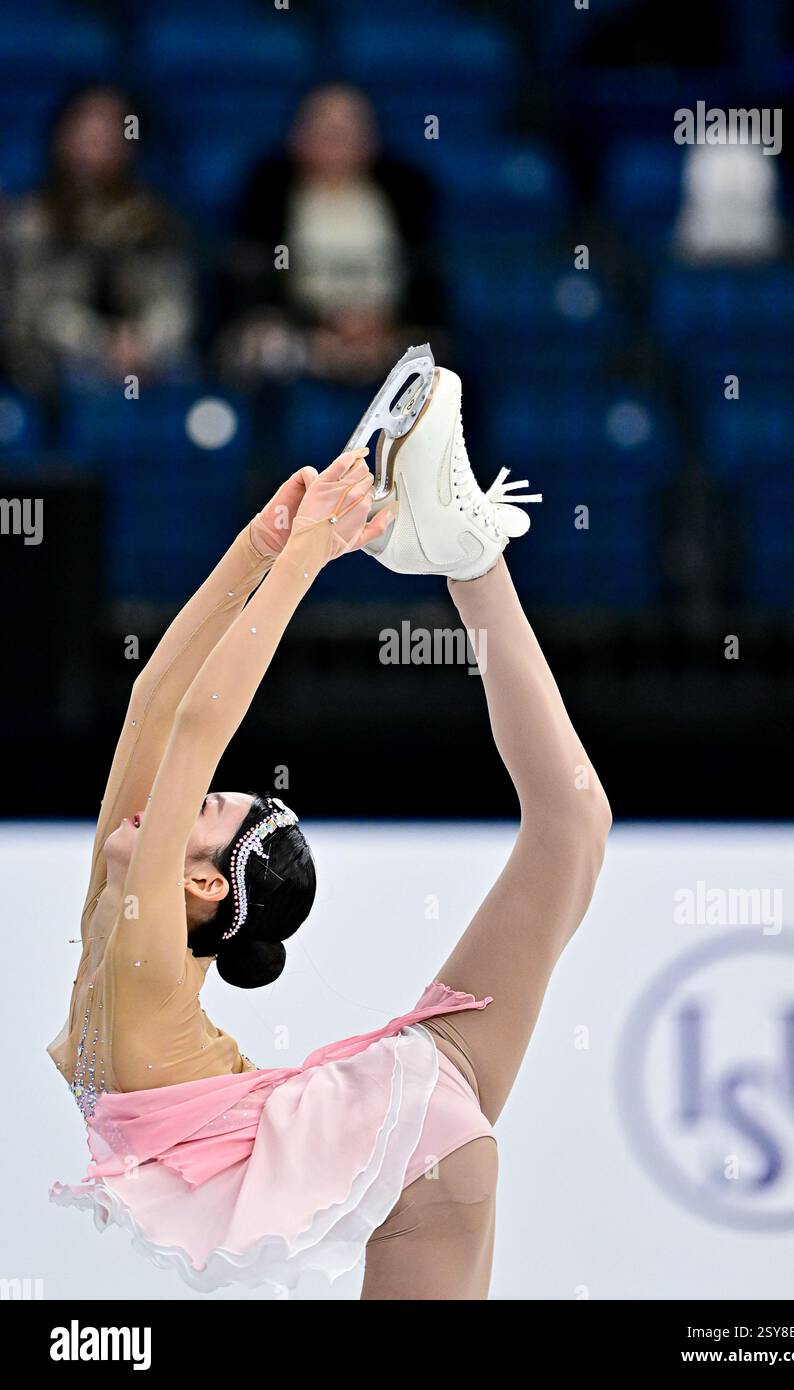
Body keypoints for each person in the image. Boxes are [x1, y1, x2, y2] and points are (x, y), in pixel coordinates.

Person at [49, 356, 610, 1300]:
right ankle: (471, 558)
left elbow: (179, 714)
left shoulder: (135, 935)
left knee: (572, 826)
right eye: (206, 799)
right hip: (394, 1135)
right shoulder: (131, 925)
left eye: (203, 804)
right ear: (198, 889)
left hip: (401, 1151)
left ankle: (469, 555)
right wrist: (269, 549)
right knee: (574, 823)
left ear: (202, 884)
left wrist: (286, 555)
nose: (175, 795)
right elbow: (165, 713)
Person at [220, 83, 445, 385]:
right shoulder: (271, 196)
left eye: (349, 130)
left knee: (436, 360)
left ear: (372, 139)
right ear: (298, 137)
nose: (337, 141)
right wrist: (318, 326)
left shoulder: (404, 195)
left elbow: (426, 279)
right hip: (303, 335)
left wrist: (382, 326)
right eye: (325, 130)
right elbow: (254, 276)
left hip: (385, 336)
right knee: (261, 347)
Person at [3, 84, 193, 391]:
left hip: (143, 362)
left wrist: (145, 342)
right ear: (61, 138)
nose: (96, 141)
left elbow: (174, 302)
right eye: (85, 129)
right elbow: (30, 311)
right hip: (57, 361)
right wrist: (100, 343)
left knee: (185, 380)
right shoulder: (30, 219)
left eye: (110, 129)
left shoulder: (155, 219)